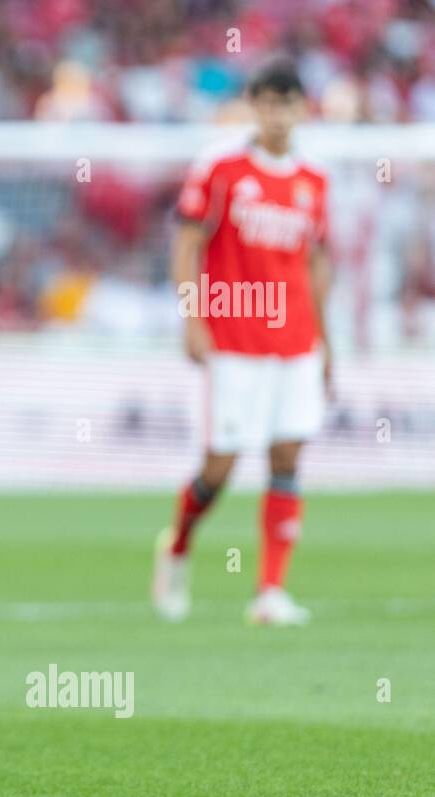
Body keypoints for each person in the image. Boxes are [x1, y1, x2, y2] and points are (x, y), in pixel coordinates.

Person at [152, 56, 331, 626]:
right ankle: (177, 546)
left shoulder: (314, 181)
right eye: (269, 102)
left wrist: (329, 342)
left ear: (303, 109)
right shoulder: (221, 169)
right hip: (234, 335)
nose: (279, 114)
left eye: (289, 103)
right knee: (221, 467)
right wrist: (192, 317)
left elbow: (316, 262)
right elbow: (186, 242)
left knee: (287, 455)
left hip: (297, 340)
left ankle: (270, 592)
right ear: (254, 105)